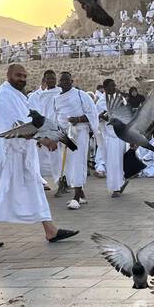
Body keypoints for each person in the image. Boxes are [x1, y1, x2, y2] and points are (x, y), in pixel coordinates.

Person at [0, 62, 78, 248]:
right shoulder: (3, 96)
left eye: (24, 76)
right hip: (5, 155)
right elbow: (14, 128)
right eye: (18, 75)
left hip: (22, 154)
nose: (22, 79)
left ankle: (50, 230)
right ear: (8, 75)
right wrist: (44, 140)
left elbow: (29, 122)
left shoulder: (19, 96)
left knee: (35, 185)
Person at [53, 72, 97, 210]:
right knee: (69, 164)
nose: (65, 82)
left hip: (80, 132)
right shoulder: (56, 99)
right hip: (65, 135)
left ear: (71, 81)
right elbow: (56, 117)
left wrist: (77, 119)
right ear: (59, 82)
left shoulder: (80, 95)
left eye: (67, 80)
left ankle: (77, 196)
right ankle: (81, 194)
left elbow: (92, 113)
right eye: (62, 80)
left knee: (78, 162)